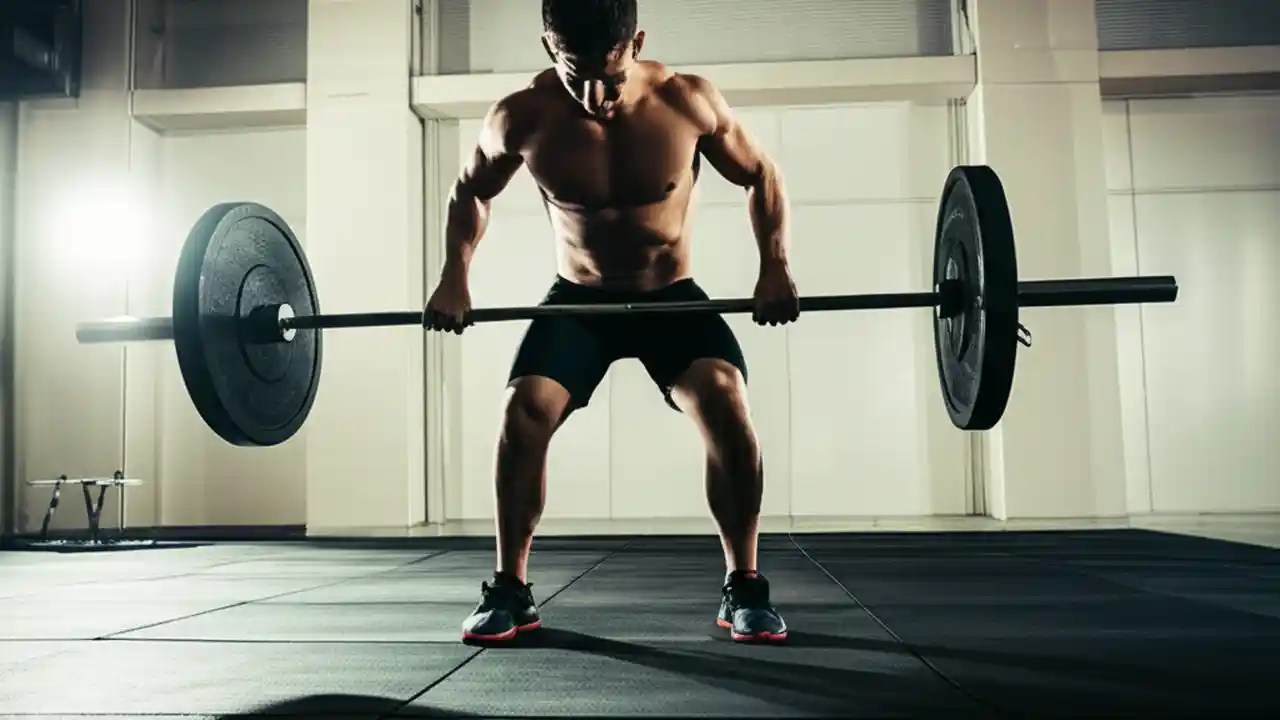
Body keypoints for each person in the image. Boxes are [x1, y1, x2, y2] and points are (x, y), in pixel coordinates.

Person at [424, 0, 799, 644]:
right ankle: (510, 590)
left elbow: (760, 173)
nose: (596, 92)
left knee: (726, 404)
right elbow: (471, 190)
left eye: (611, 74)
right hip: (581, 300)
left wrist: (774, 266)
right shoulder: (522, 117)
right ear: (549, 46)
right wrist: (454, 275)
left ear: (637, 43)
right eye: (576, 73)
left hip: (669, 296)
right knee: (523, 413)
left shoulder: (688, 102)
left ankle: (745, 586)